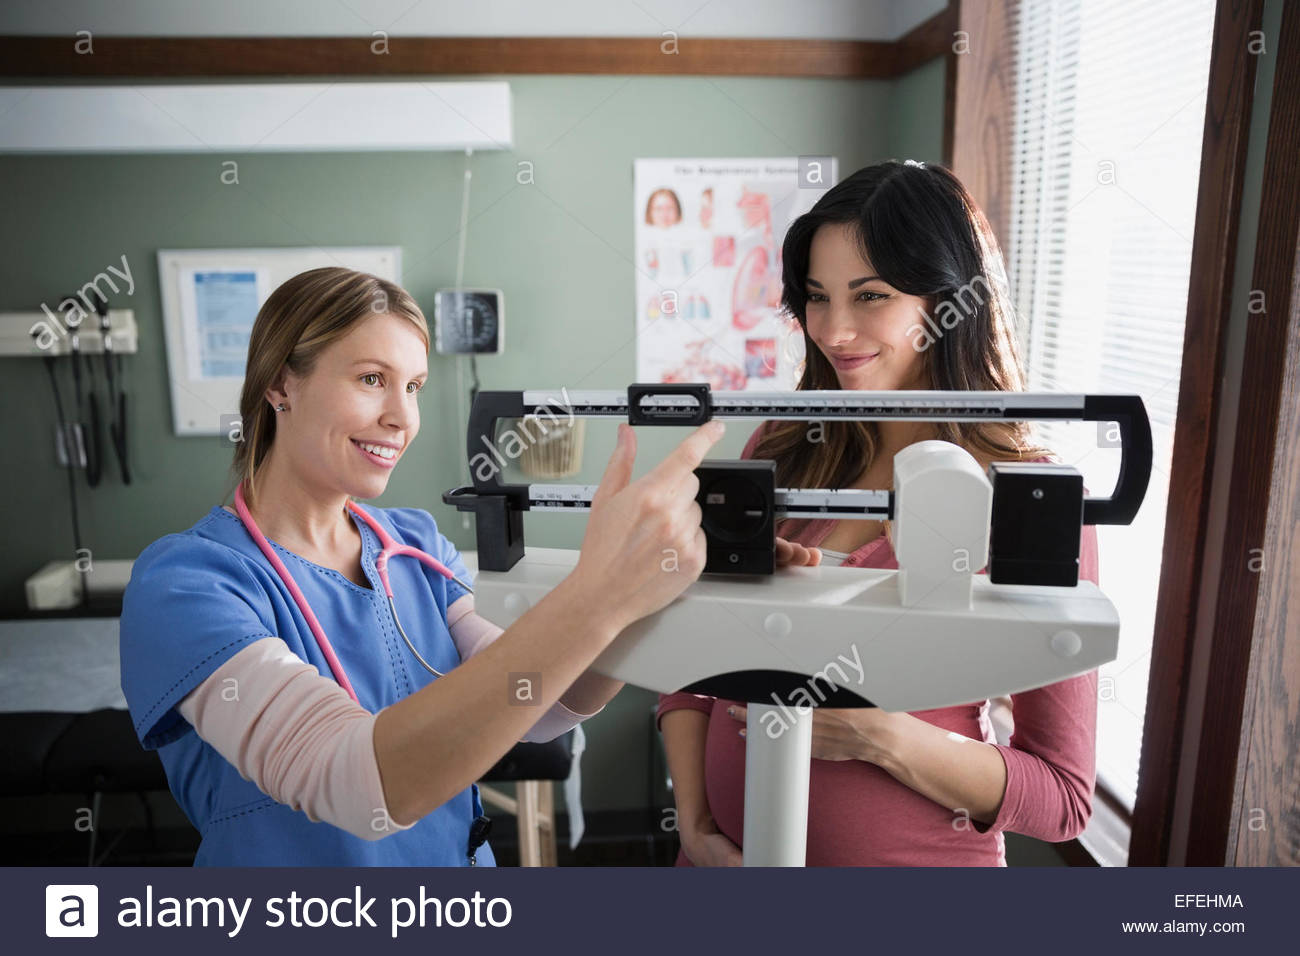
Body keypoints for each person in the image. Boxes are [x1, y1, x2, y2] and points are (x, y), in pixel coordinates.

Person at [119, 266, 724, 865]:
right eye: (371, 378)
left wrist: (657, 584)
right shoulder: (187, 584)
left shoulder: (412, 544)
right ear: (281, 385)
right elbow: (350, 781)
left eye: (413, 387)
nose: (402, 418)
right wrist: (600, 592)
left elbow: (538, 705)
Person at [658, 160, 1101, 867]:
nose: (834, 330)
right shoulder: (781, 445)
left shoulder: (1031, 493)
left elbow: (1062, 796)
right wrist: (693, 824)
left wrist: (877, 734)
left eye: (871, 295)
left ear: (950, 302)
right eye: (816, 297)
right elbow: (693, 663)